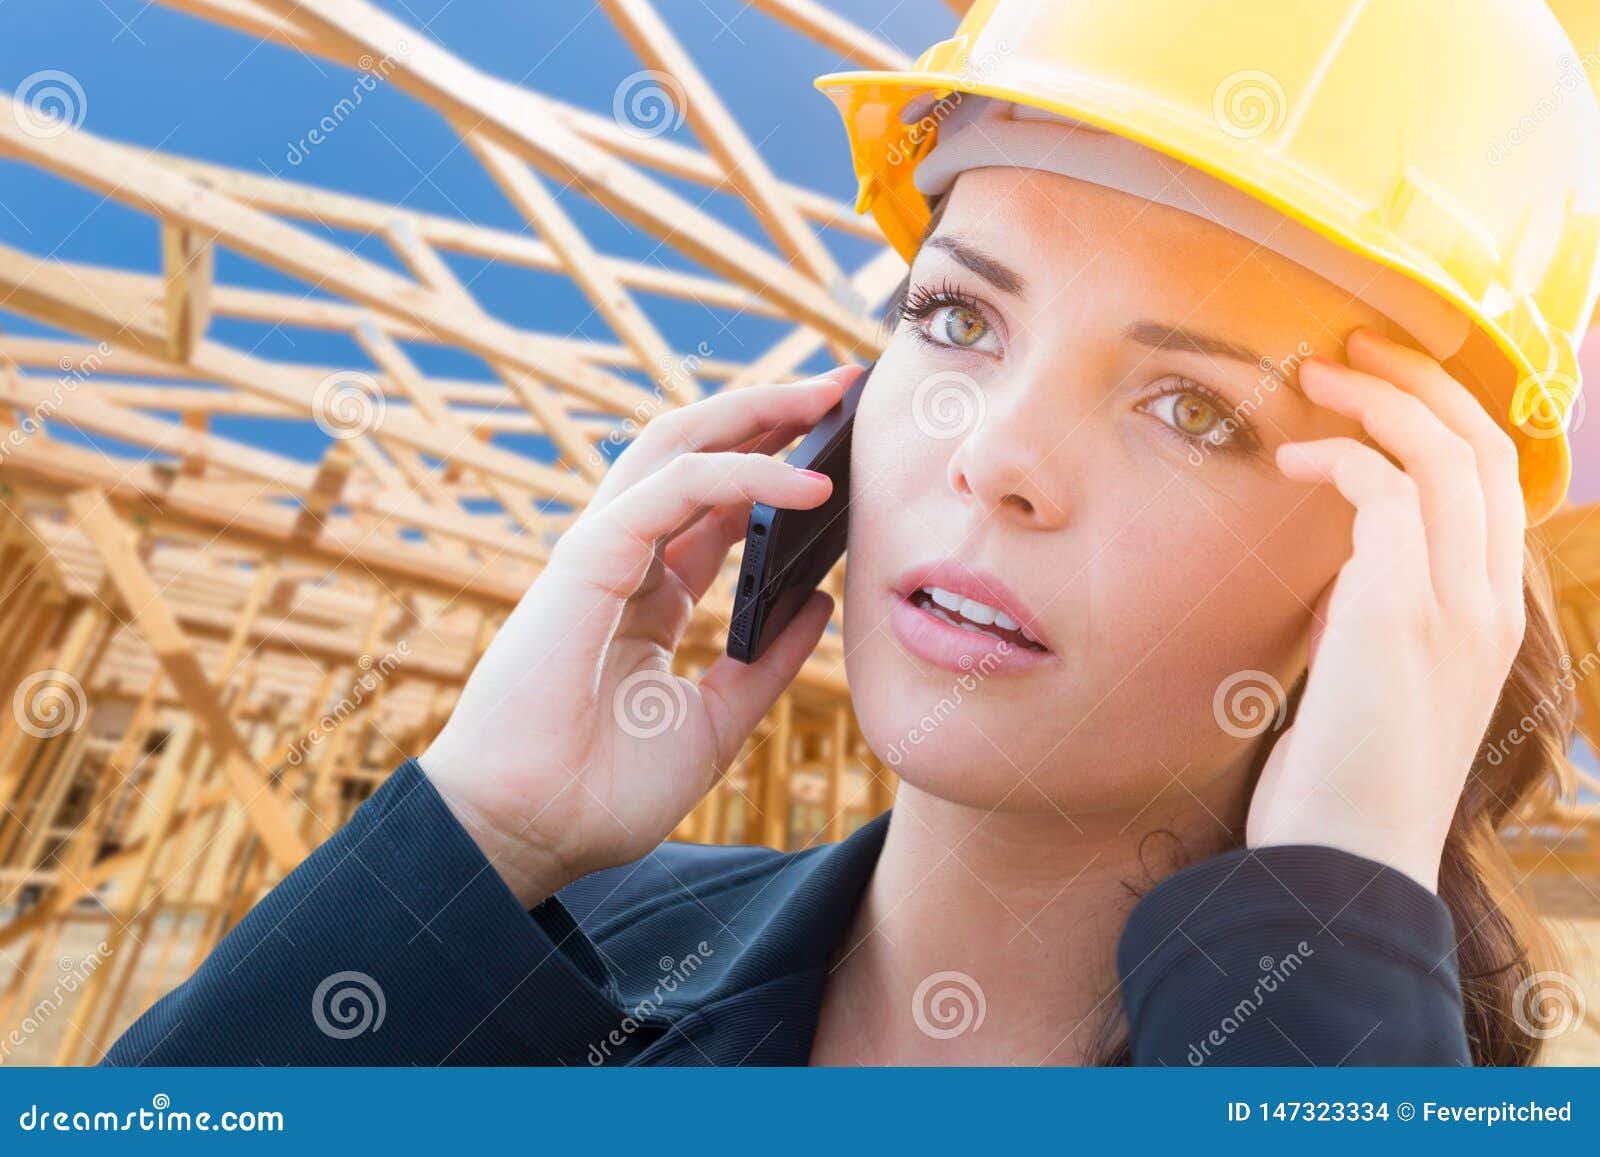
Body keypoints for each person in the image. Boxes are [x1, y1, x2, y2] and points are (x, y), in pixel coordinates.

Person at [101, 0, 1599, 1066]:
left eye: (1195, 408)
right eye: (955, 318)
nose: (994, 453)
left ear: (1398, 579)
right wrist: (479, 831)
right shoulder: (539, 967)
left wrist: (1331, 936)